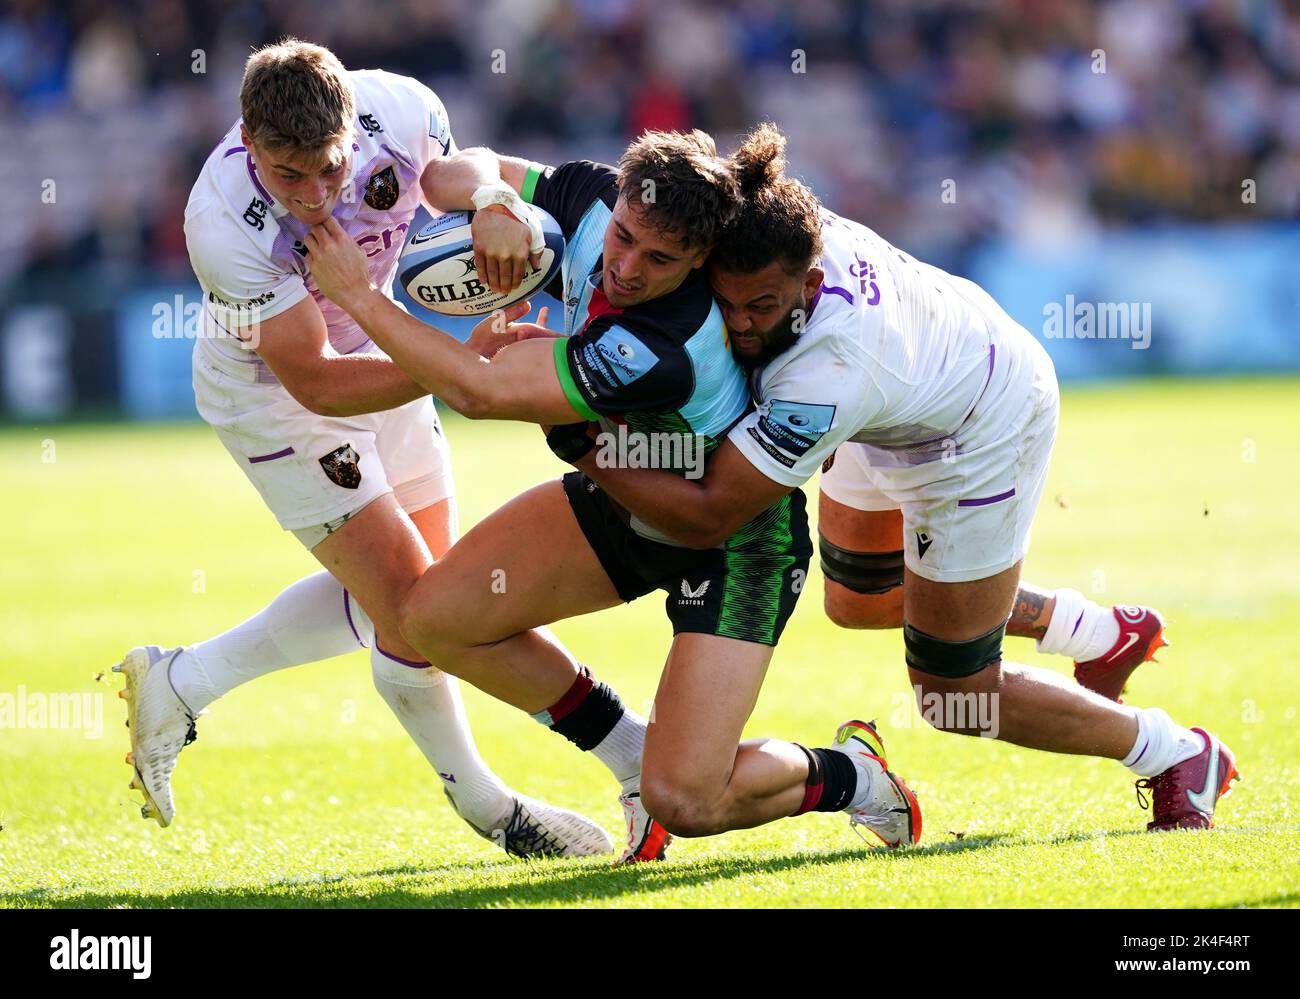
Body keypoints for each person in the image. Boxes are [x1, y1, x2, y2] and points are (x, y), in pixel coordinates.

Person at [558, 123, 1239, 833]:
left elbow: (713, 511)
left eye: (760, 307)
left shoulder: (829, 373)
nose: (739, 323)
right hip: (916, 379)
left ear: (808, 285)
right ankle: (1090, 628)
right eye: (726, 302)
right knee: (857, 600)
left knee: (951, 692)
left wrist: (583, 440)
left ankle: (1176, 752)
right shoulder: (760, 223)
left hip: (981, 426)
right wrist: (493, 201)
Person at [304, 130, 922, 862]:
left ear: (701, 260)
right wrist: (494, 198)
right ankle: (631, 755)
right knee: (435, 619)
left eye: (659, 259)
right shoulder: (594, 193)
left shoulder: (666, 342)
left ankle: (853, 775)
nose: (625, 267)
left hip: (735, 543)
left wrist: (355, 298)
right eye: (624, 237)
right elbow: (446, 172)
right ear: (619, 201)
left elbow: (477, 390)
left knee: (688, 799)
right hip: (625, 485)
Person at [113, 38, 613, 859]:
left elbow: (448, 174)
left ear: (354, 124)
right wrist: (456, 365)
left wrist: (492, 196)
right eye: (288, 175)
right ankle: (491, 806)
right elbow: (314, 381)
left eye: (330, 170)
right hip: (278, 396)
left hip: (381, 346)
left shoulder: (401, 106)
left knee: (431, 600)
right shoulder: (221, 220)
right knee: (417, 605)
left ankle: (181, 682)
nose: (314, 197)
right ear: (246, 139)